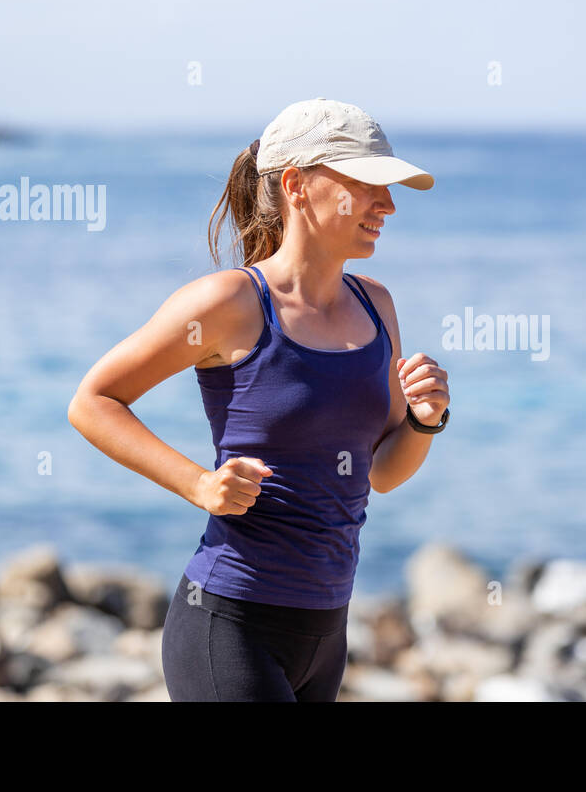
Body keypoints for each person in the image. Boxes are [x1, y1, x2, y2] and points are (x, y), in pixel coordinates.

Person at [67, 97, 451, 701]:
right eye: (366, 185)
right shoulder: (229, 304)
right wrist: (198, 483)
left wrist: (426, 423)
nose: (388, 205)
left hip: (326, 634)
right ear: (298, 185)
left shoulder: (377, 305)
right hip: (230, 624)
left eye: (390, 188)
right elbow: (94, 400)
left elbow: (381, 473)